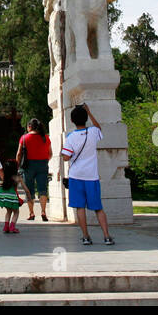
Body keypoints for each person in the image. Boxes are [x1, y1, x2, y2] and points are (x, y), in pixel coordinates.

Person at [60, 104, 114, 246]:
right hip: (92, 176)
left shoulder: (71, 137)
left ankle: (85, 236)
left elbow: (65, 157)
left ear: (72, 120)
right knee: (98, 208)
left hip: (76, 176)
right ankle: (107, 236)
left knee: (80, 207)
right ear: (85, 118)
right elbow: (99, 128)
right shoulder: (93, 132)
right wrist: (89, 112)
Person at [16, 118, 52, 221]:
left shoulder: (24, 138)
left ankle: (31, 213)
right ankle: (43, 211)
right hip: (43, 164)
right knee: (42, 189)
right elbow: (50, 154)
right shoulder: (45, 137)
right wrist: (44, 161)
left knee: (29, 190)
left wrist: (17, 165)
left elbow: (19, 153)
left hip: (28, 166)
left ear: (30, 127)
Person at [0, 160, 24, 233]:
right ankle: (12, 227)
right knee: (16, 212)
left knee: (8, 211)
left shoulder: (5, 178)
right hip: (12, 197)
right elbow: (23, 188)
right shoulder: (16, 178)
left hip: (4, 197)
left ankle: (6, 227)